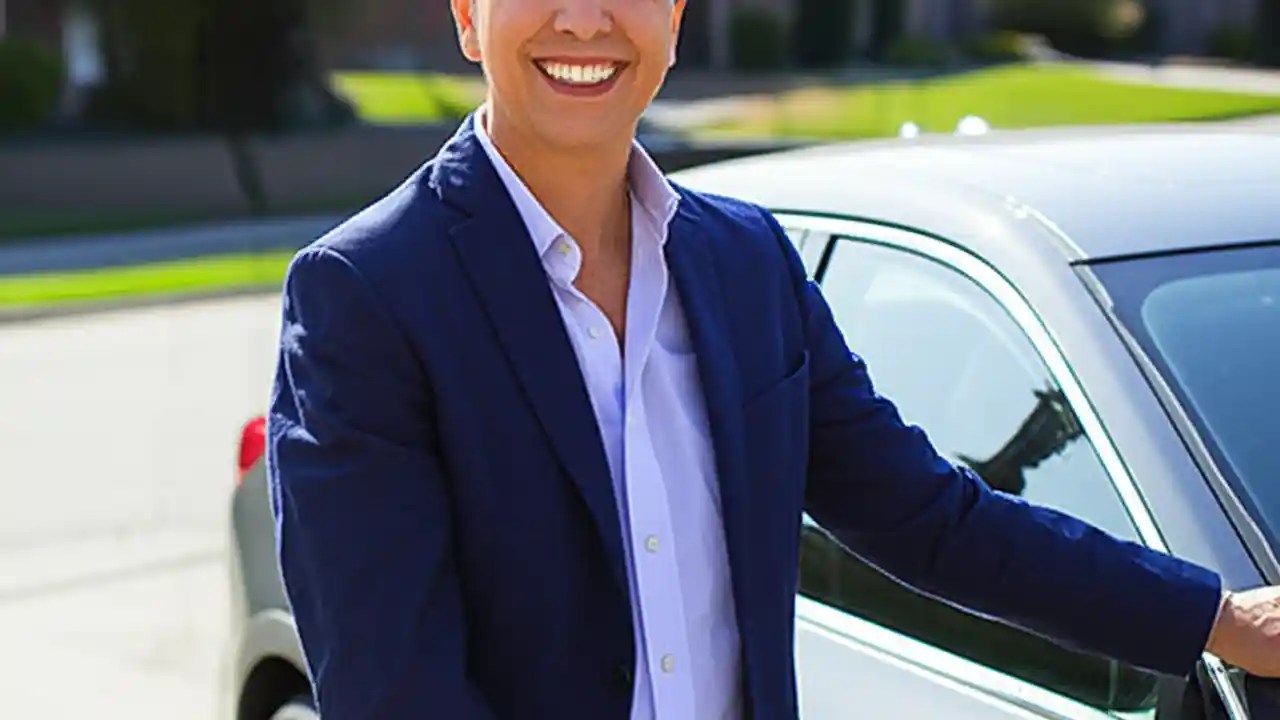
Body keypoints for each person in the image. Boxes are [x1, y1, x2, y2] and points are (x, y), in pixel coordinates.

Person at [265, 0, 1280, 717]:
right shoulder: (365, 296)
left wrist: (1216, 618)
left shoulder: (744, 263)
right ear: (464, 15)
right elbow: (393, 692)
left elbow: (930, 518)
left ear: (672, 14)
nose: (583, 21)